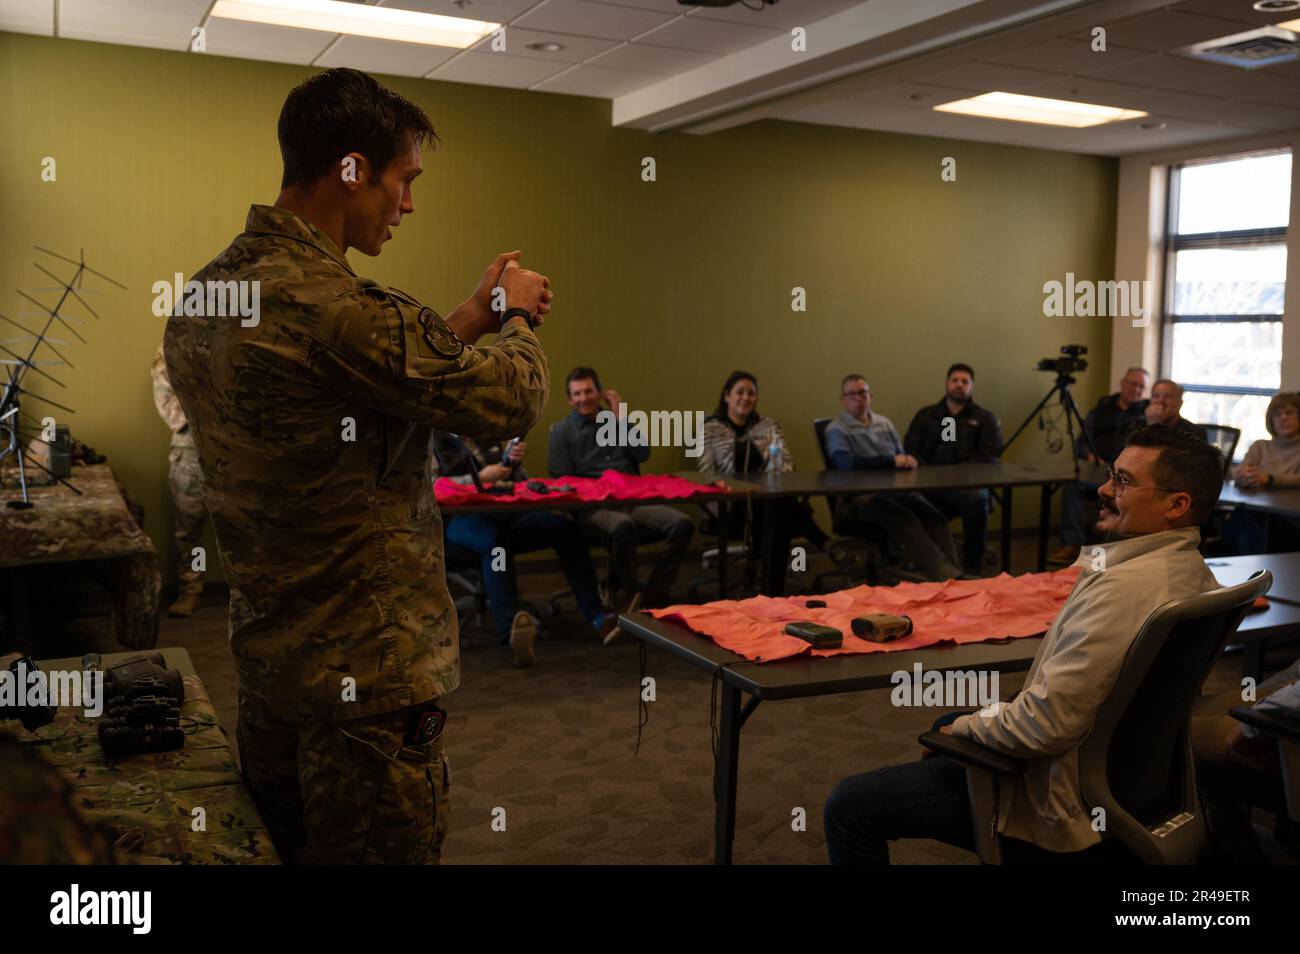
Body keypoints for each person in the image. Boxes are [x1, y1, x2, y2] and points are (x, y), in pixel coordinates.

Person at [163, 68, 552, 865]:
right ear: (351, 170)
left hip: (273, 668)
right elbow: (509, 399)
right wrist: (511, 317)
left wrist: (470, 315)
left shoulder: (204, 299)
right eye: (403, 179)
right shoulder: (341, 310)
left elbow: (361, 381)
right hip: (368, 686)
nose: (408, 203)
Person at [824, 425, 1224, 864]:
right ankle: (969, 805)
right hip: (1130, 779)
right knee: (952, 718)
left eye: (1124, 481)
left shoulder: (1123, 590)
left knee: (848, 806)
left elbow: (1045, 727)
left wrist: (961, 730)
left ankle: (994, 828)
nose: (1103, 488)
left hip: (1060, 798)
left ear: (1177, 505)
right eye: (1111, 473)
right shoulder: (1195, 572)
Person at [433, 432, 632, 665]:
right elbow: (430, 486)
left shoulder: (488, 436)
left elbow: (517, 482)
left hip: (504, 511)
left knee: (566, 530)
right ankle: (511, 633)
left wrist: (513, 466)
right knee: (496, 544)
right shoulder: (433, 438)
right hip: (459, 521)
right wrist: (478, 478)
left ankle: (598, 617)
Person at [547, 366, 694, 607]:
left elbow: (643, 454)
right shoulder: (561, 432)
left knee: (682, 524)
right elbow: (561, 480)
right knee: (623, 527)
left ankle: (654, 592)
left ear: (600, 393)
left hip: (631, 499)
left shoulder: (619, 421)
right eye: (577, 394)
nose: (583, 398)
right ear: (569, 399)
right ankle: (630, 592)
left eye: (588, 391)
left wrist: (622, 418)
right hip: (593, 506)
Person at [696, 370, 835, 592]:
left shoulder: (768, 426)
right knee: (785, 515)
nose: (746, 398)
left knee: (777, 518)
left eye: (751, 393)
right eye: (739, 392)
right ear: (726, 396)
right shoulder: (709, 428)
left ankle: (772, 592)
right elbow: (705, 472)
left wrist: (776, 468)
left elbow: (787, 465)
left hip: (766, 498)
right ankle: (825, 545)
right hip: (730, 504)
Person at [825, 375, 960, 581]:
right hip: (863, 498)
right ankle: (943, 578)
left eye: (862, 393)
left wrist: (908, 461)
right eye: (850, 394)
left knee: (935, 517)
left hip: (897, 490)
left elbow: (901, 456)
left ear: (870, 396)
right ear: (842, 399)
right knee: (908, 520)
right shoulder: (836, 429)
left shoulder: (884, 423)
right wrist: (891, 461)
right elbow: (846, 464)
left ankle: (955, 574)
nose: (857, 398)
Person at [1191, 654, 1300, 862]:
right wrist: (1256, 698)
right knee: (1187, 708)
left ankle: (1239, 852)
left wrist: (1250, 726)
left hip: (1291, 732)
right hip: (1290, 692)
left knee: (1170, 732)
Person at [903, 363, 1003, 577]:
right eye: (955, 380)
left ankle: (972, 567)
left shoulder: (985, 418)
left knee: (977, 498)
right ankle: (929, 563)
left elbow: (990, 455)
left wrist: (959, 473)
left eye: (965, 381)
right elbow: (911, 449)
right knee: (903, 499)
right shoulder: (926, 415)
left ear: (972, 387)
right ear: (946, 384)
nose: (959, 385)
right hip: (928, 485)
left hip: (967, 487)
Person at [1049, 367, 1148, 565]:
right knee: (1072, 485)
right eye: (1132, 384)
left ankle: (1105, 555)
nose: (1136, 390)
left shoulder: (1145, 416)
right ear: (1122, 383)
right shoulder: (1102, 409)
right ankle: (1072, 544)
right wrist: (1089, 455)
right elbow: (1082, 439)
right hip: (1095, 469)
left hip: (1124, 476)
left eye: (1141, 386)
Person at [150, 345, 208, 617]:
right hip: (191, 450)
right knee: (189, 528)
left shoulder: (244, 335)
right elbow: (168, 400)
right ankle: (190, 590)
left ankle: (249, 593)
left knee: (245, 526)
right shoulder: (175, 341)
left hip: (239, 450)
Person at [1225, 392, 1300, 554]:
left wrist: (1270, 479)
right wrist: (1242, 475)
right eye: (1277, 414)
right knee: (1242, 520)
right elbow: (1243, 471)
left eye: (1289, 413)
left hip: (1290, 517)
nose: (1283, 418)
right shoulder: (1260, 446)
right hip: (1257, 510)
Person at [1140, 379, 1207, 441]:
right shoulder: (1135, 427)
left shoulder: (1195, 433)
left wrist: (1155, 426)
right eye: (1156, 396)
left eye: (1167, 396)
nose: (1160, 400)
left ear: (1180, 403)